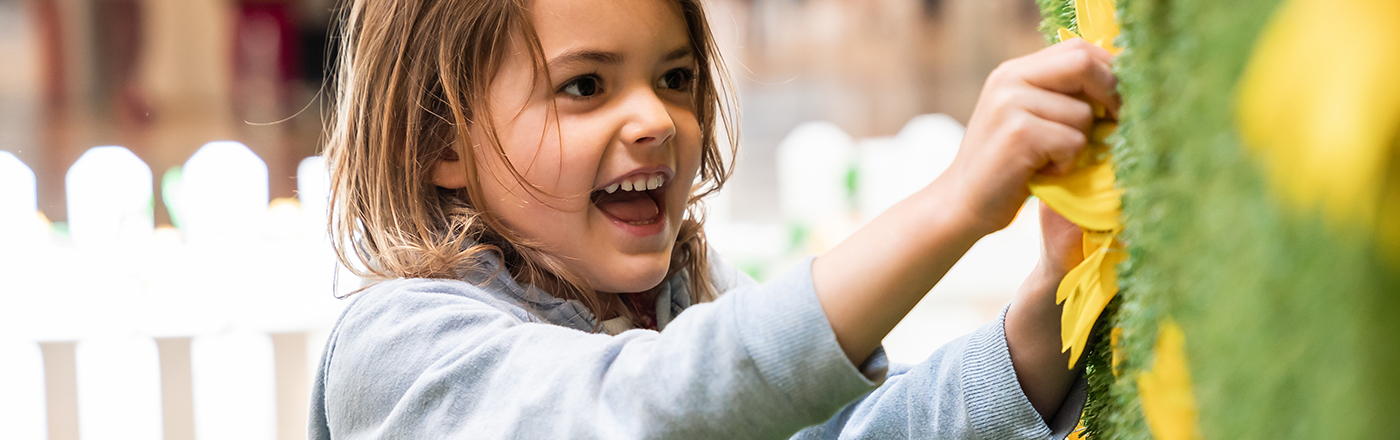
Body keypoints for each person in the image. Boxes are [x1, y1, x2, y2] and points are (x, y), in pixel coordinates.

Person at [308, 0, 1119, 438]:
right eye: (585, 85)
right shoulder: (400, 349)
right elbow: (642, 413)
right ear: (438, 137)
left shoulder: (691, 296)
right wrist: (953, 206)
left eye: (674, 76)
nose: (657, 119)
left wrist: (1046, 317)